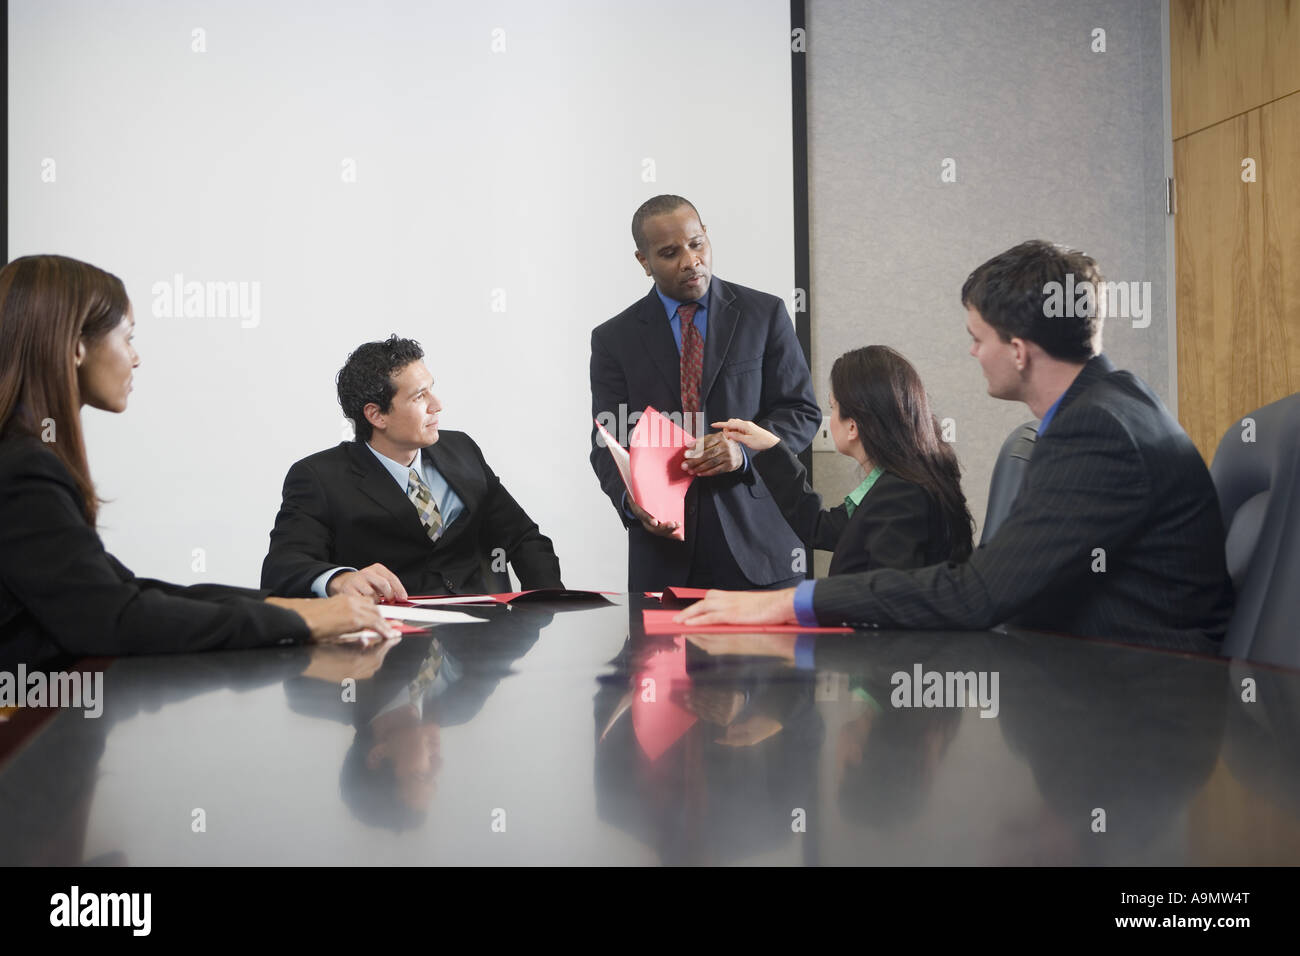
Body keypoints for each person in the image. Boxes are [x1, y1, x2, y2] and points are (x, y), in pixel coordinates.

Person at [678, 240, 1235, 651]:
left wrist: (791, 601)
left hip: (1136, 700)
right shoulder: (1112, 404)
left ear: (1018, 350)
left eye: (977, 338)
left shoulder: (1096, 433)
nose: (972, 354)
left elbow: (979, 593)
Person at [0, 255, 393, 666]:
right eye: (128, 338)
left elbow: (128, 591)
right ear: (77, 347)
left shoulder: (23, 457)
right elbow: (115, 618)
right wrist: (300, 621)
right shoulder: (24, 471)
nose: (136, 358)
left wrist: (287, 607)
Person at [589, 194, 821, 592]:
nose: (690, 261)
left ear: (707, 236)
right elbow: (607, 440)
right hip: (664, 558)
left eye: (697, 244)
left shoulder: (764, 314)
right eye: (669, 253)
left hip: (761, 549)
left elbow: (800, 412)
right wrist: (632, 503)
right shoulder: (614, 339)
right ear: (644, 261)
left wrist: (742, 452)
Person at [261, 335, 563, 599]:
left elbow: (523, 537)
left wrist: (547, 605)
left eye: (431, 389)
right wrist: (339, 580)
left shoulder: (462, 449)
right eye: (420, 396)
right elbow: (282, 567)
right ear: (377, 416)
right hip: (393, 638)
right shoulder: (319, 478)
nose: (437, 405)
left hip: (484, 634)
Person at [716, 344, 973, 575]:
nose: (830, 419)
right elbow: (821, 528)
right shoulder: (899, 481)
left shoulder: (900, 495)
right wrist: (772, 447)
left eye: (833, 407)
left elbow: (885, 595)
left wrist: (797, 601)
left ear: (852, 426)